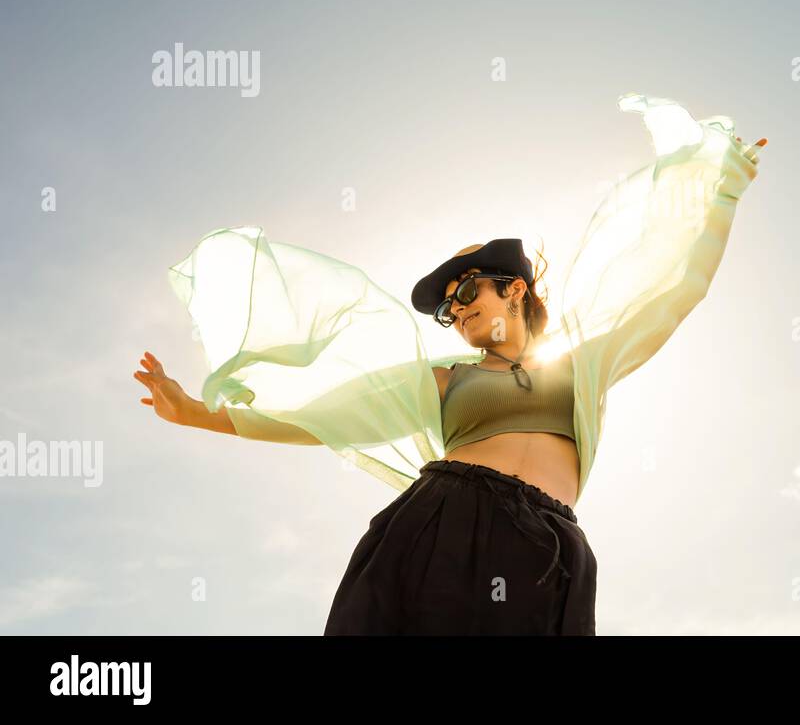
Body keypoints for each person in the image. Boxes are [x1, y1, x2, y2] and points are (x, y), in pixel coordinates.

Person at [133, 92, 766, 634]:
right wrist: (201, 416)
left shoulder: (585, 362)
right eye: (446, 311)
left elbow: (671, 286)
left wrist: (723, 190)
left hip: (552, 543)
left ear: (513, 289)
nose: (456, 313)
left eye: (465, 293)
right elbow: (330, 416)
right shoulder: (446, 378)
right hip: (444, 517)